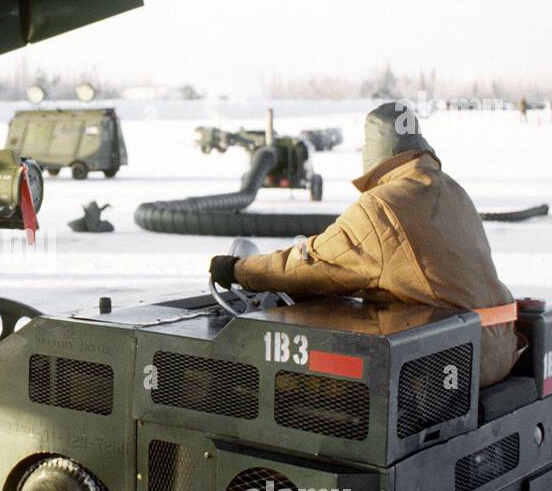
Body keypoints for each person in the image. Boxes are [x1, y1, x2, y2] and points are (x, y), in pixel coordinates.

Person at [208, 102, 523, 387]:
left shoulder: (381, 207)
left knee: (301, 384)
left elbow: (310, 264)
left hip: (449, 363)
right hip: (496, 346)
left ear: (373, 151)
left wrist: (238, 269)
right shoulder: (451, 189)